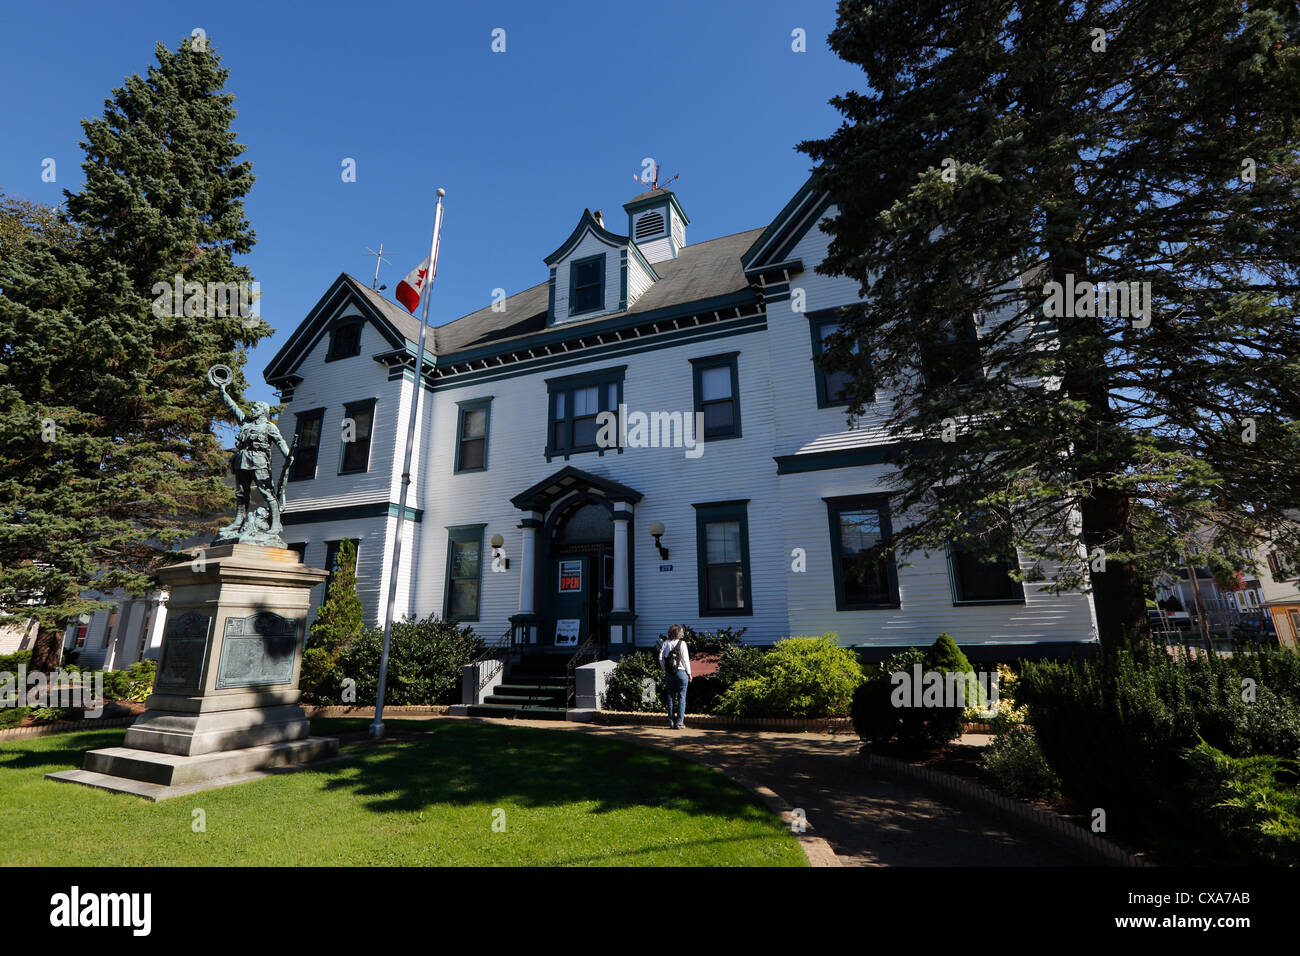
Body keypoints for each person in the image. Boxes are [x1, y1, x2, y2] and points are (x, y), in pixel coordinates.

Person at [659, 624, 691, 730]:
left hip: (669, 674)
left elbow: (660, 658)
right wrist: (689, 673)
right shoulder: (682, 643)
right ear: (679, 633)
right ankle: (680, 723)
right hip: (681, 672)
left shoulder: (665, 643)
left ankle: (671, 722)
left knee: (670, 698)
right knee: (682, 697)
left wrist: (665, 669)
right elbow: (685, 660)